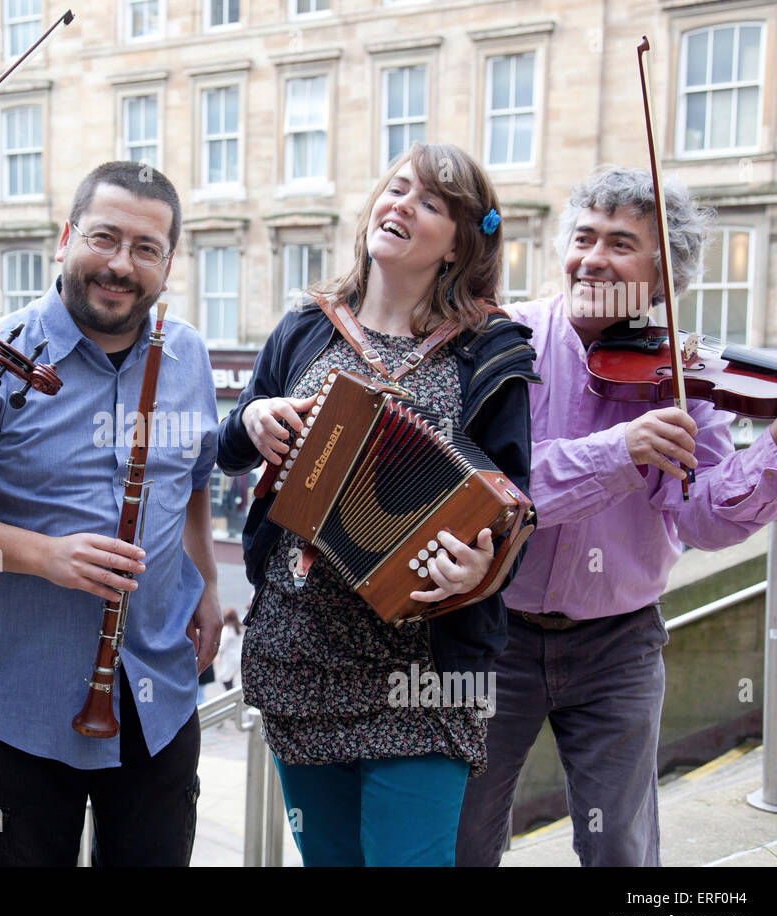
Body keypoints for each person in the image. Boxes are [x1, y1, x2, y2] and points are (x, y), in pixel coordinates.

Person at [456, 166, 777, 867]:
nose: (593, 257)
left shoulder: (681, 370)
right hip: (496, 630)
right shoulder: (504, 342)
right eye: (584, 236)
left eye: (620, 242)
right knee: (466, 834)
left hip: (619, 645)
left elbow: (703, 518)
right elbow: (493, 491)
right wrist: (618, 451)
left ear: (662, 277)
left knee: (621, 847)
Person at [217, 142, 537, 867]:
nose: (402, 206)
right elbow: (224, 450)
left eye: (430, 203)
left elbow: (515, 518)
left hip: (425, 675)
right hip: (304, 660)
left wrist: (477, 571)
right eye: (397, 188)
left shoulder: (489, 352)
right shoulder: (307, 327)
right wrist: (250, 420)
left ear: (460, 244)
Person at [0, 161, 221, 867]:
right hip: (24, 704)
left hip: (158, 696)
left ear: (168, 264)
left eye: (145, 249)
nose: (119, 264)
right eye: (104, 238)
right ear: (65, 238)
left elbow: (194, 477)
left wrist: (207, 583)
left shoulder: (189, 354)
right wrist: (43, 555)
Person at [215, 607, 243, 691]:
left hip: (228, 659)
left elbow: (221, 646)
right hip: (238, 656)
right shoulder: (240, 628)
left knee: (226, 681)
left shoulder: (226, 630)